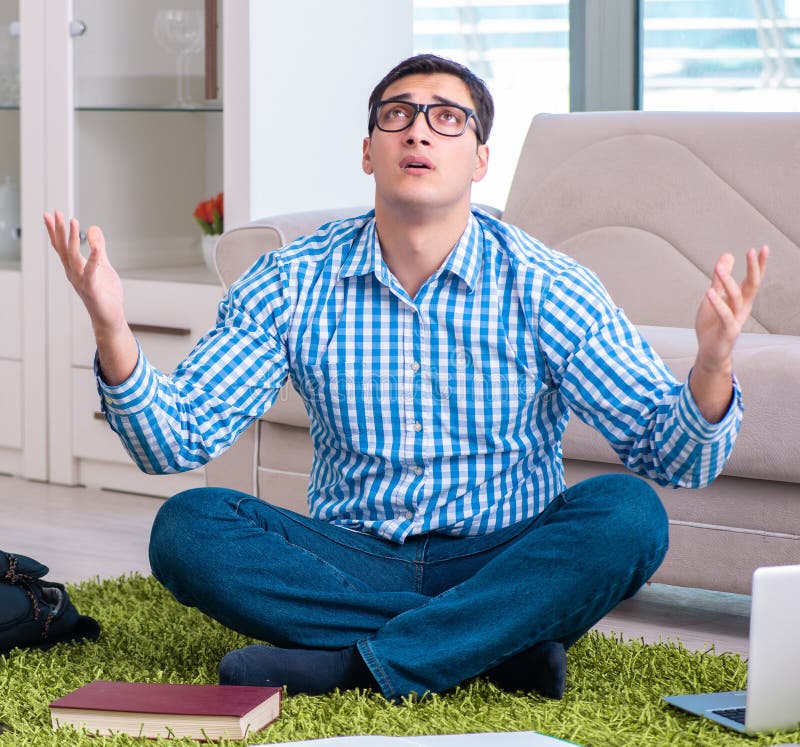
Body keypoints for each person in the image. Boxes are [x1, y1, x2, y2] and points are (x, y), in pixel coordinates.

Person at [44, 54, 769, 703]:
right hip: (351, 556)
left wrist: (711, 366)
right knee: (186, 528)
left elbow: (671, 454)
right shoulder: (292, 280)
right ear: (369, 151)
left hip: (504, 550)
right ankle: (491, 647)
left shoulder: (548, 285)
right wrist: (113, 329)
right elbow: (177, 440)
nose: (418, 132)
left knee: (628, 514)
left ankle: (357, 665)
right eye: (398, 115)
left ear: (480, 158)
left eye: (447, 119)